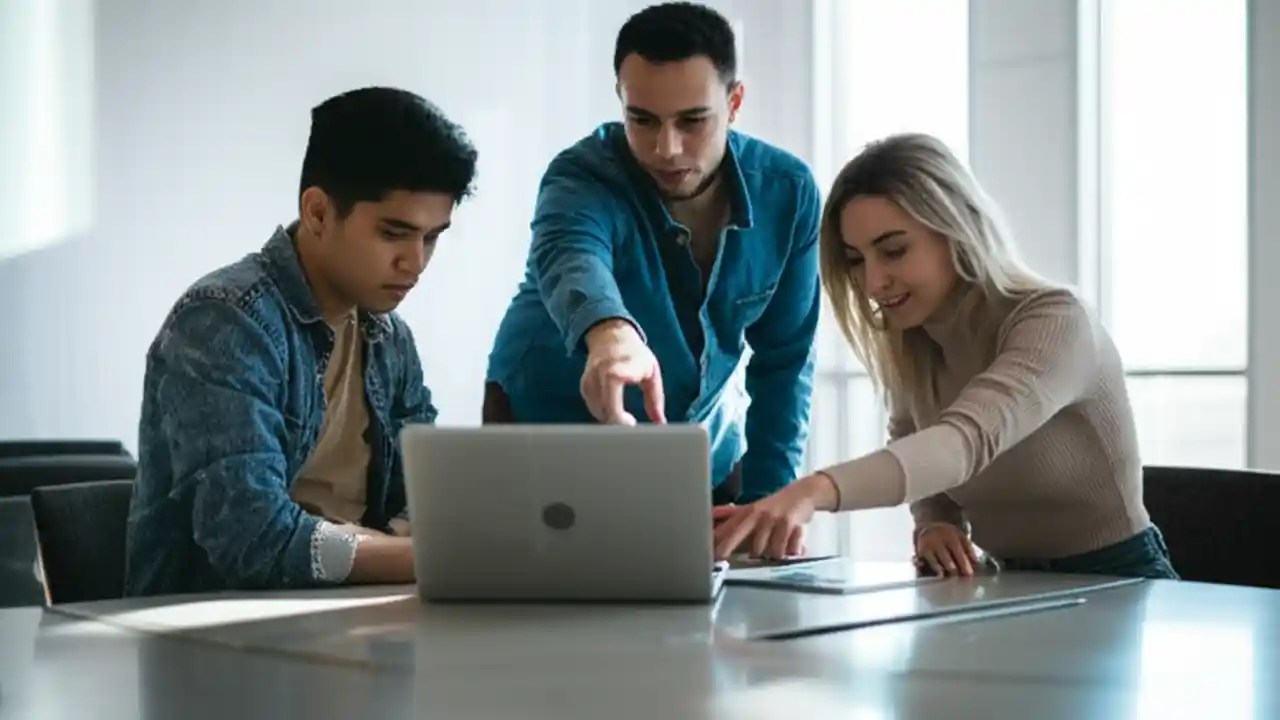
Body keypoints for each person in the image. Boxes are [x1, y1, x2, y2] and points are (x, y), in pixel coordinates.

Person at [712, 133, 1178, 580]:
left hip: (1120, 578)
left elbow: (964, 443)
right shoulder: (914, 338)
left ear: (957, 229)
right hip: (1010, 583)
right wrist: (935, 521)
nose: (874, 283)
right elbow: (913, 437)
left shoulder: (1057, 321)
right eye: (856, 260)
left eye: (893, 251)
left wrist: (812, 492)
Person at [124, 87, 478, 596]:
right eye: (393, 233)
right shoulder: (224, 323)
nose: (416, 262)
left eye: (432, 237)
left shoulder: (388, 337)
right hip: (215, 636)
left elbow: (424, 494)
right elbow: (251, 538)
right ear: (316, 212)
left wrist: (415, 540)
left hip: (349, 622)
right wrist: (425, 555)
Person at [484, 2, 822, 517]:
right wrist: (611, 334)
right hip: (548, 430)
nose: (667, 148)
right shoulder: (580, 175)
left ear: (734, 103)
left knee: (727, 590)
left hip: (697, 448)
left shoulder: (789, 192)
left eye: (692, 121)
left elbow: (785, 361)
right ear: (620, 100)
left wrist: (769, 504)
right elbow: (571, 256)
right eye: (641, 120)